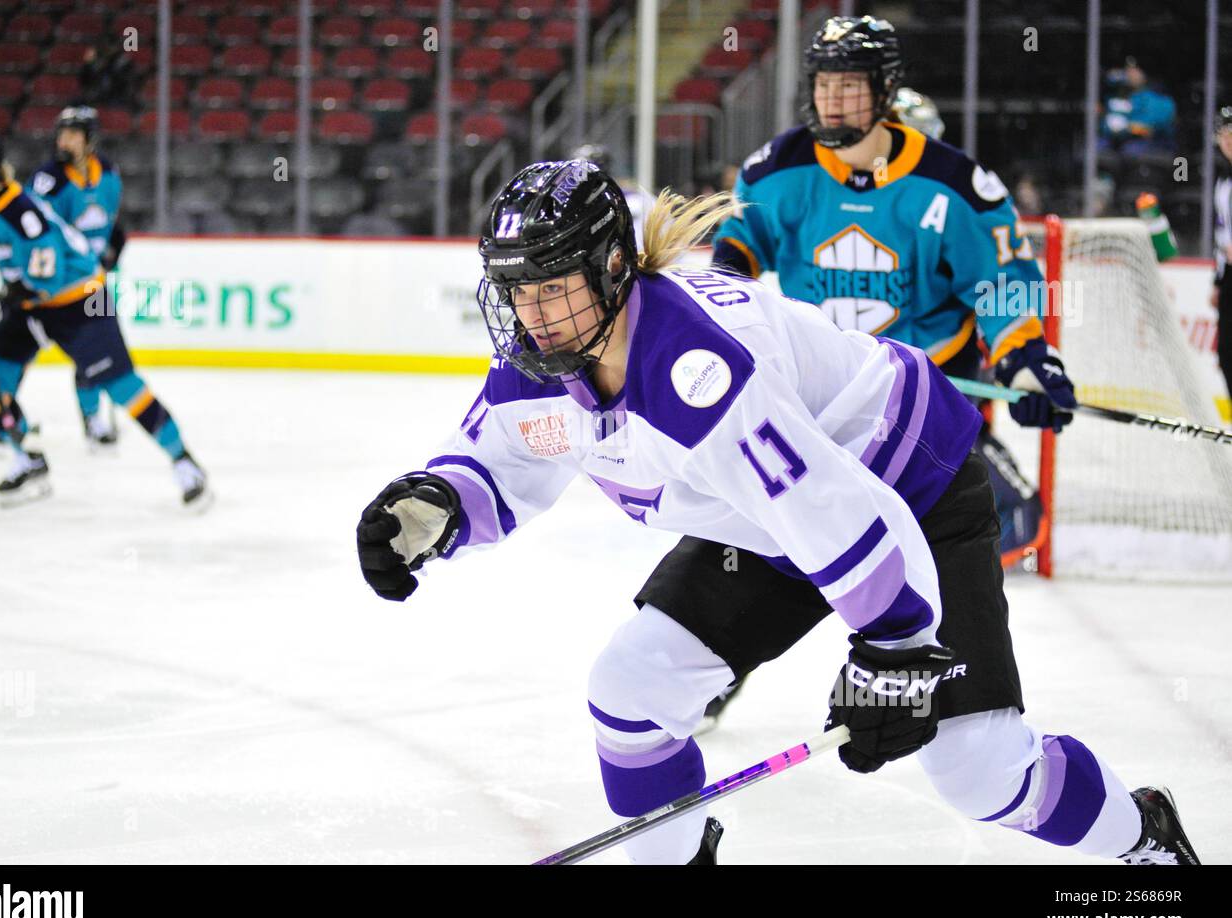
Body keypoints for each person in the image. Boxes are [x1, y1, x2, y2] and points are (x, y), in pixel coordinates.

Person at [354, 158, 1199, 865]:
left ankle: (1144, 841)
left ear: (612, 269)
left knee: (978, 770)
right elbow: (498, 459)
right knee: (632, 690)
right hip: (763, 519)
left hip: (910, 486)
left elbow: (833, 506)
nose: (532, 317)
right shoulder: (543, 361)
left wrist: (896, 645)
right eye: (517, 294)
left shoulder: (695, 371)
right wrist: (437, 505)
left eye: (552, 290)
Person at [710, 15, 1068, 579]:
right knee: (744, 573)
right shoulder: (778, 171)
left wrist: (1025, 360)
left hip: (928, 409)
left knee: (954, 576)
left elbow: (1000, 285)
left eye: (849, 85)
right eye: (824, 84)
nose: (833, 100)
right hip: (820, 404)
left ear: (883, 90)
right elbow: (734, 257)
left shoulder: (952, 184)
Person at [0, 125, 208, 508]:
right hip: (34, 306)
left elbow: (44, 281)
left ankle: (184, 463)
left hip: (80, 301)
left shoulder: (23, 215)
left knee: (123, 388)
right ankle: (27, 458)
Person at [29, 105, 126, 448]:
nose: (64, 140)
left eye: (72, 134)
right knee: (16, 348)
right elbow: (35, 230)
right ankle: (1, 416)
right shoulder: (48, 180)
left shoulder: (110, 173)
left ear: (90, 139)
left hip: (93, 282)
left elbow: (112, 223)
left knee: (96, 349)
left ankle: (92, 418)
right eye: (62, 133)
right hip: (53, 282)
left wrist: (113, 249)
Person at [1098, 57, 1177, 164]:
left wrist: (1125, 128)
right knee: (1095, 148)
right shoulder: (1119, 94)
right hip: (1117, 141)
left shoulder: (1159, 97)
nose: (1129, 73)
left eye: (1135, 69)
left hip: (1152, 144)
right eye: (1127, 69)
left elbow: (1149, 127)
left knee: (1130, 151)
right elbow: (1108, 121)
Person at [1212, 106, 1232, 408]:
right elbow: (1221, 234)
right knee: (1226, 356)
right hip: (1229, 276)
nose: (1227, 140)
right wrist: (1217, 280)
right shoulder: (1222, 183)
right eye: (1224, 134)